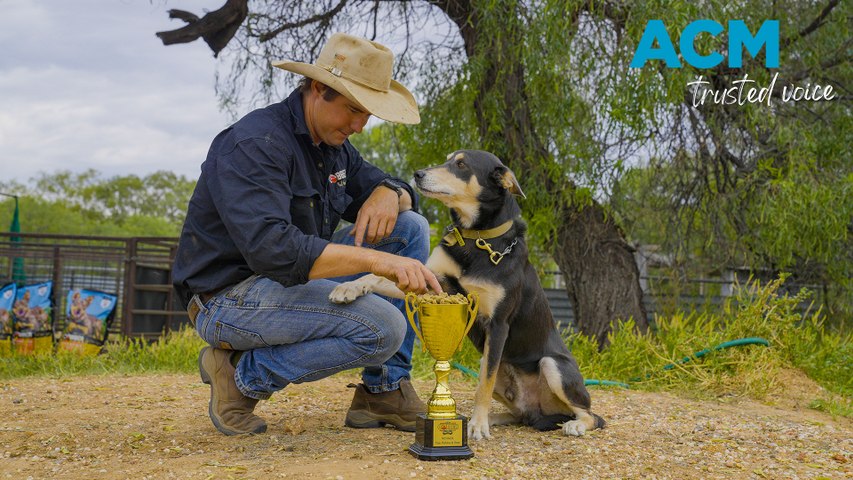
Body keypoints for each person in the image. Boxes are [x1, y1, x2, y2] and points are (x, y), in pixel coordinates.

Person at [172, 32, 441, 436]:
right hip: (228, 299)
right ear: (319, 89)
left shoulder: (333, 145)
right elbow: (275, 252)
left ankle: (382, 390)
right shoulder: (255, 143)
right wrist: (376, 260)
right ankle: (240, 376)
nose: (360, 126)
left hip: (290, 284)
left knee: (409, 228)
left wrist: (391, 190)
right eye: (354, 110)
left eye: (368, 115)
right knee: (384, 327)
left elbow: (381, 186)